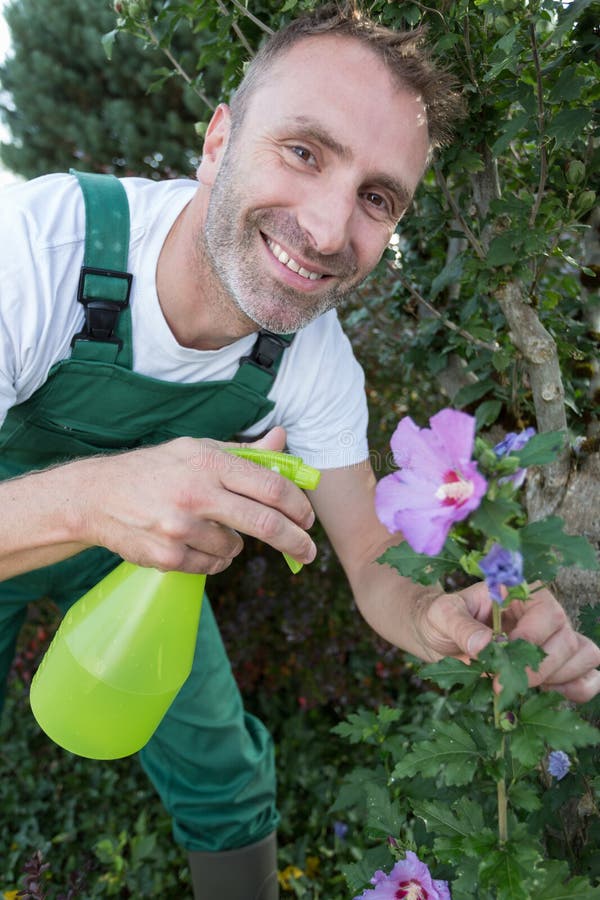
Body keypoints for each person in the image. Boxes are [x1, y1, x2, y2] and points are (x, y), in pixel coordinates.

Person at [1, 3, 599, 898]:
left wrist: (442, 617)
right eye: (304, 151)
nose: (327, 233)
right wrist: (95, 500)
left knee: (226, 773)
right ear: (217, 141)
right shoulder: (39, 249)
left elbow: (373, 564)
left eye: (377, 198)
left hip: (133, 572)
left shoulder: (313, 365)